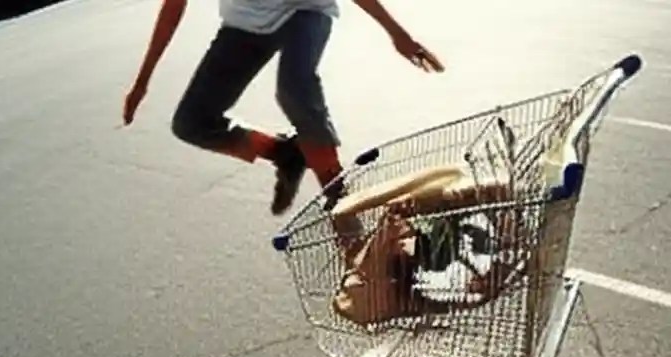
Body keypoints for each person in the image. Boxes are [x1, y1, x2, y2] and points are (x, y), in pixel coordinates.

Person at [122, 0, 444, 216]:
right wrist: (142, 81)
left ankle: (340, 197)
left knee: (294, 88)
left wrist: (397, 33)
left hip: (304, 10)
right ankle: (285, 152)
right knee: (191, 123)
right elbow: (173, 6)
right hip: (244, 25)